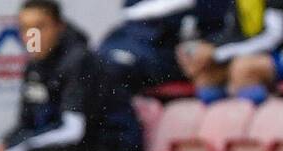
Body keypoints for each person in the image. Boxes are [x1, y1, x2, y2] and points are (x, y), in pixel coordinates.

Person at [0, 0, 143, 151]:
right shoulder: (35, 66)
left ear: (59, 27)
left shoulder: (80, 61)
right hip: (65, 147)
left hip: (107, 149)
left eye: (39, 27)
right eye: (25, 28)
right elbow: (26, 123)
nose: (32, 36)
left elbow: (73, 130)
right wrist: (2, 146)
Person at [177, 0, 283, 103]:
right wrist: (201, 50)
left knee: (245, 69)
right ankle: (218, 141)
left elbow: (275, 35)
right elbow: (236, 33)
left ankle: (254, 142)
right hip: (279, 50)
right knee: (208, 72)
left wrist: (214, 53)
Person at [98, 0, 232, 94]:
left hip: (172, 54)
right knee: (94, 69)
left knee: (112, 72)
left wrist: (215, 47)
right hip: (133, 41)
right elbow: (132, 14)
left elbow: (229, 29)